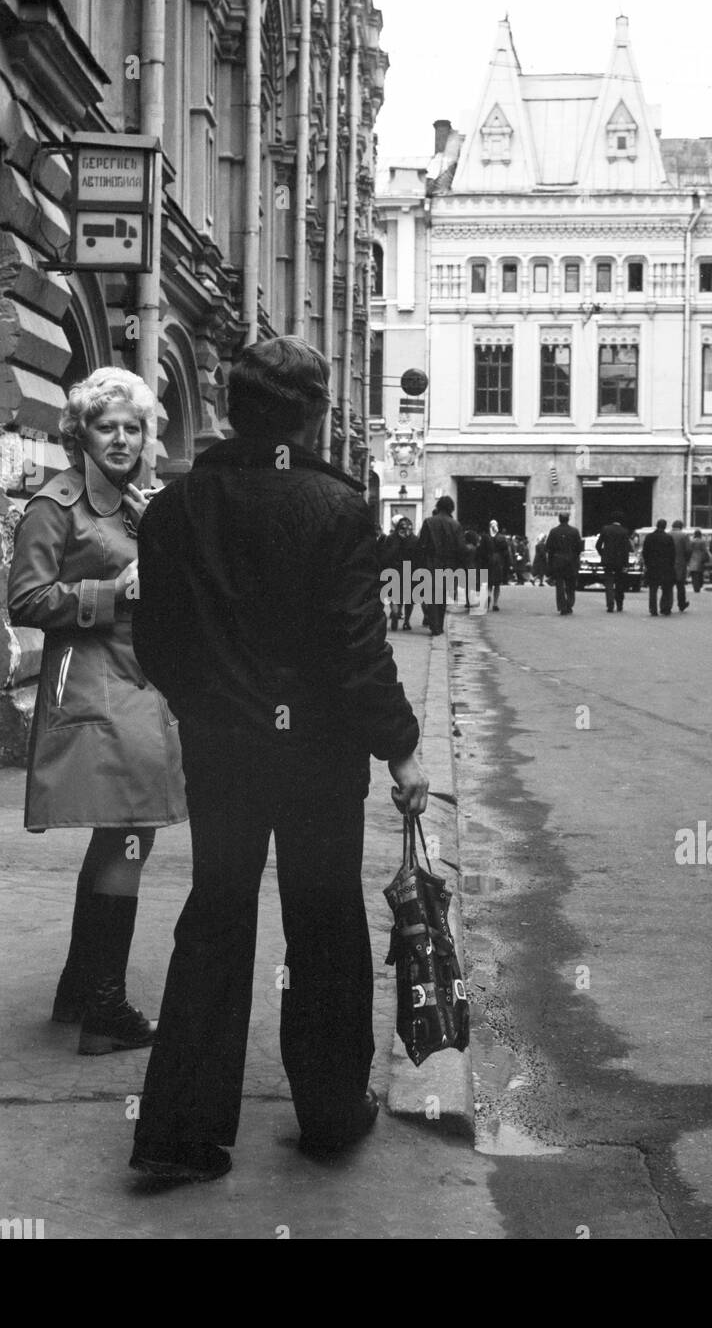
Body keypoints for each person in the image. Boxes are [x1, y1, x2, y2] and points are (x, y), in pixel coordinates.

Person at [127, 336, 429, 1182]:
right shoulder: (335, 509)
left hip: (222, 749)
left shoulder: (174, 509)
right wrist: (401, 748)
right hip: (319, 758)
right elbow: (356, 649)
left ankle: (181, 1134)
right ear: (316, 415)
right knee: (325, 921)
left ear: (228, 408)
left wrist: (211, 709)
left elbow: (156, 642)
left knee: (216, 914)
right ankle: (331, 1111)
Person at [7, 366, 187, 1058]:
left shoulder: (140, 504)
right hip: (95, 690)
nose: (121, 437)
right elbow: (26, 599)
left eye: (132, 427)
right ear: (80, 432)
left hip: (140, 686)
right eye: (106, 426)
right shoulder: (56, 507)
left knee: (118, 836)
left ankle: (79, 992)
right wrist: (113, 593)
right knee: (129, 835)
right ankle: (105, 1010)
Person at [416, 496, 465, 635]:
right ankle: (439, 625)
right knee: (443, 596)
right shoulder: (456, 525)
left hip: (431, 564)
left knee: (432, 596)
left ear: (438, 506)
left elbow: (421, 545)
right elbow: (461, 549)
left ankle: (434, 625)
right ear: (451, 508)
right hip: (449, 565)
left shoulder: (429, 522)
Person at [378, 516, 419, 631]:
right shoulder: (415, 540)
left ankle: (395, 612)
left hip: (394, 570)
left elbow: (385, 556)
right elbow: (418, 558)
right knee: (410, 599)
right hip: (410, 572)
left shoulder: (391, 538)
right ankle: (406, 621)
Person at [545, 511, 583, 614]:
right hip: (571, 561)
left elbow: (548, 547)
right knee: (571, 585)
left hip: (558, 561)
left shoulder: (553, 531)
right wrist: (574, 556)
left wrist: (551, 562)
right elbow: (580, 548)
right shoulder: (574, 531)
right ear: (568, 519)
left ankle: (562, 606)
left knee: (560, 585)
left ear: (559, 519)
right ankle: (569, 604)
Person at [596, 512, 632, 613]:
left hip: (608, 561)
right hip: (620, 562)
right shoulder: (624, 531)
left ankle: (610, 604)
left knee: (609, 583)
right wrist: (626, 563)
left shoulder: (605, 529)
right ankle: (619, 604)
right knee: (620, 583)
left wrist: (603, 554)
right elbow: (626, 549)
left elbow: (598, 545)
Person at [642, 518, 677, 616]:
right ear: (665, 526)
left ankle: (653, 609)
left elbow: (645, 552)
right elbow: (672, 554)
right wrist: (671, 565)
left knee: (653, 589)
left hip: (653, 567)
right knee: (666, 588)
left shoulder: (649, 537)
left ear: (657, 525)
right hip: (665, 567)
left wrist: (647, 564)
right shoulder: (668, 538)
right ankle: (665, 608)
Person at [482, 520, 510, 611]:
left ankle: (488, 595)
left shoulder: (485, 537)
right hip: (498, 561)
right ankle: (495, 603)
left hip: (488, 560)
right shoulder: (502, 537)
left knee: (489, 583)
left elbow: (481, 550)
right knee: (497, 584)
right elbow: (506, 552)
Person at [669, 519, 692, 613]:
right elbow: (688, 550)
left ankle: (668, 604)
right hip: (680, 563)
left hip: (669, 563)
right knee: (680, 586)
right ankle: (681, 604)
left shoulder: (668, 534)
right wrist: (686, 560)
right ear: (681, 526)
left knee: (668, 586)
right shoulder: (684, 535)